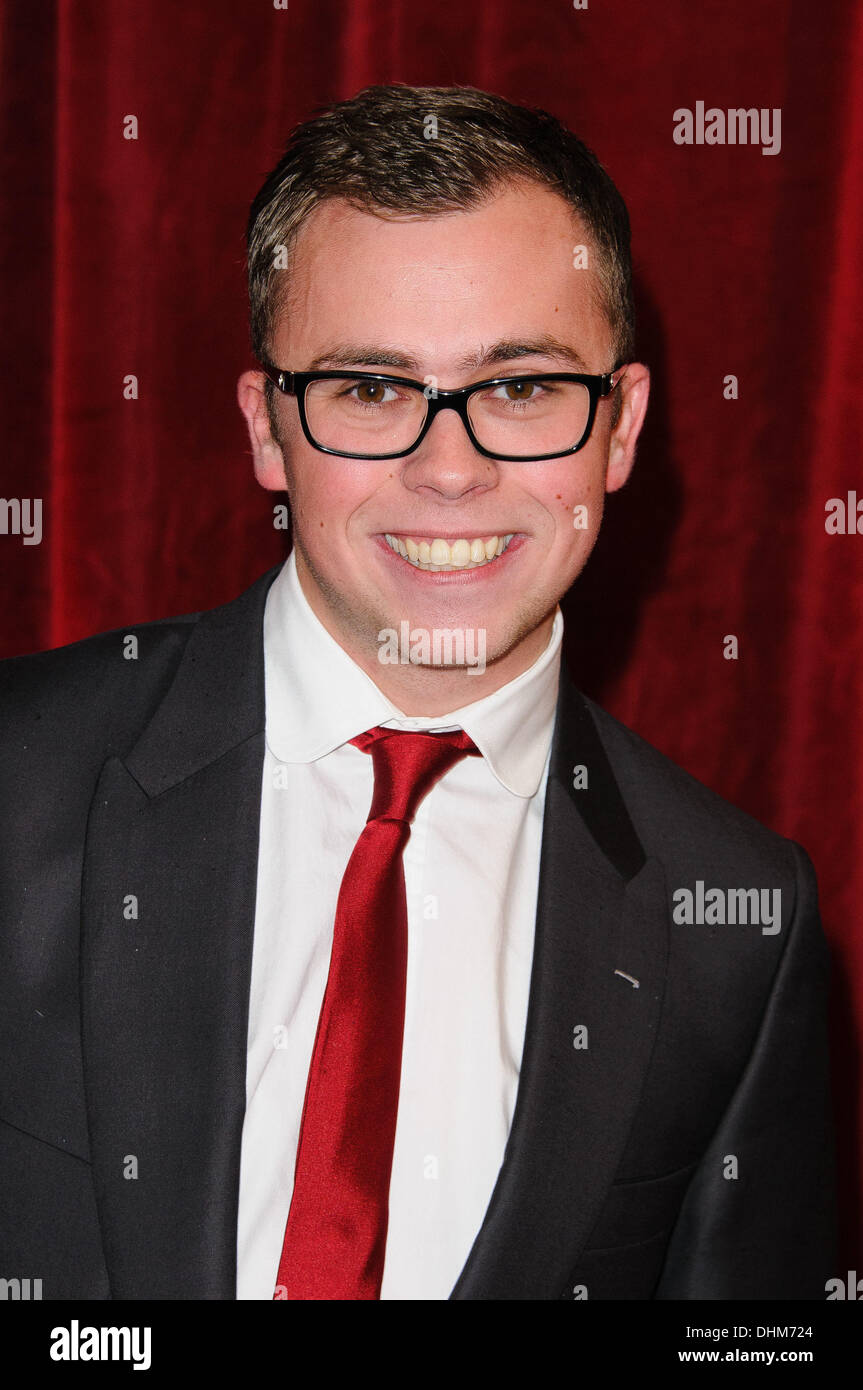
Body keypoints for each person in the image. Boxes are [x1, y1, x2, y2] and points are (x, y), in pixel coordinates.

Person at [0, 84, 835, 1301]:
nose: (450, 470)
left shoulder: (737, 927)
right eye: (372, 390)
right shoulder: (18, 783)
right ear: (265, 432)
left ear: (621, 428)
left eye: (520, 387)